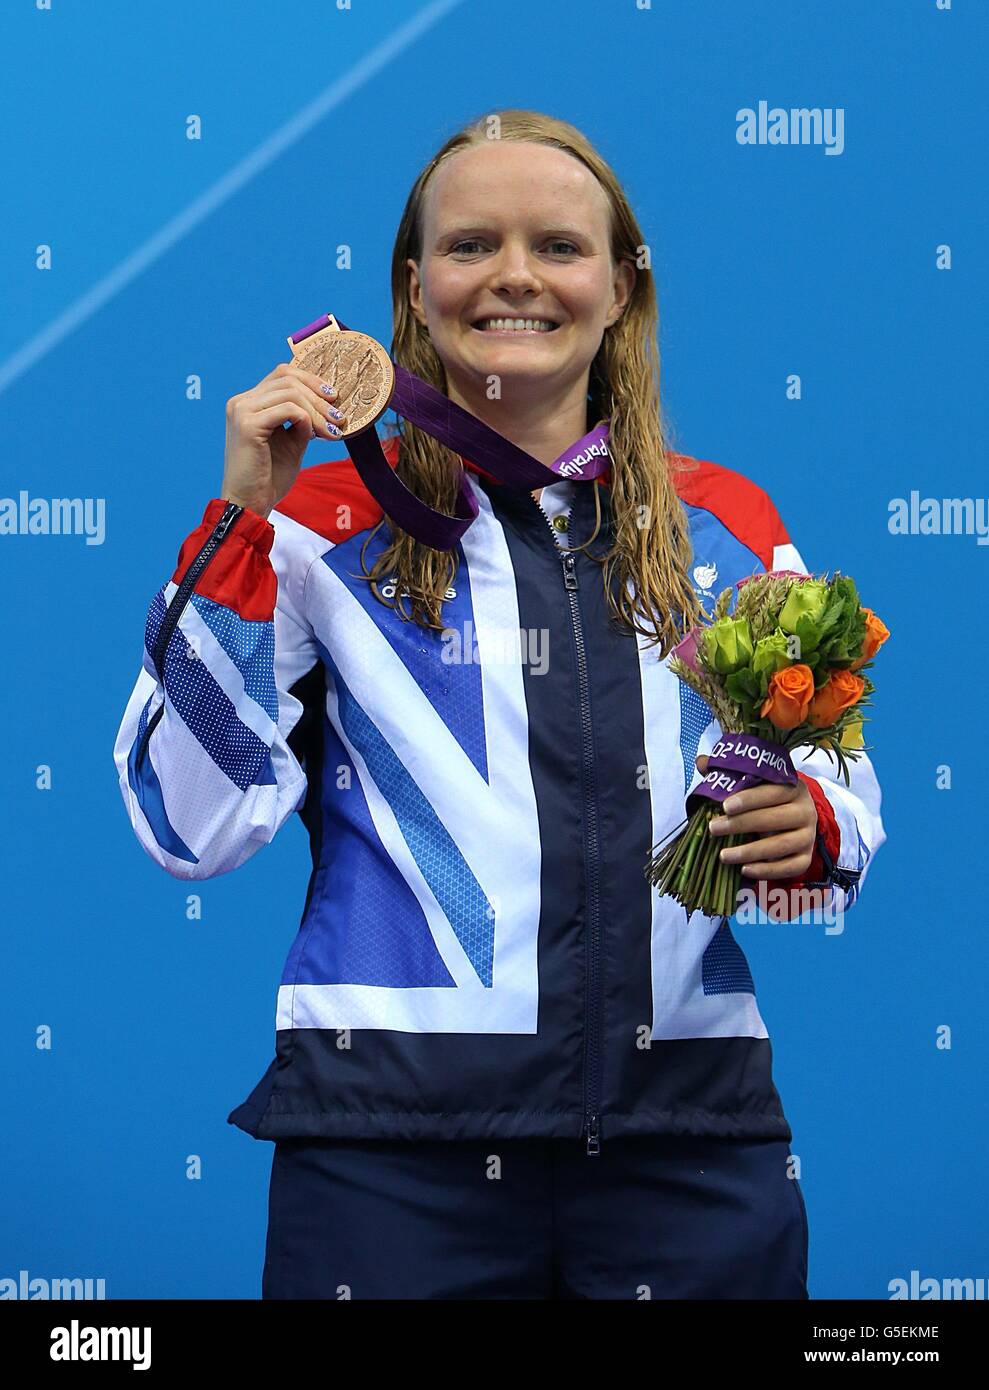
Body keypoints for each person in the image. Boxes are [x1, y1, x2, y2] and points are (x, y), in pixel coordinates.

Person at [112, 108, 886, 1300]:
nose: (515, 275)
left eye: (559, 248)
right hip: (390, 1152)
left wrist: (809, 825)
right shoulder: (316, 528)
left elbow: (829, 808)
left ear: (622, 287)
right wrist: (237, 528)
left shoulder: (720, 520)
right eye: (472, 246)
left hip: (686, 1144)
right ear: (414, 291)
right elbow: (188, 829)